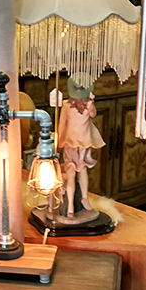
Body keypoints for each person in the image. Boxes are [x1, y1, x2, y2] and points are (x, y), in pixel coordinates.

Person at [56, 78, 105, 218]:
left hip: (70, 142)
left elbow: (61, 124)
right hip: (84, 142)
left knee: (71, 171)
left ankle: (71, 205)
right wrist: (92, 100)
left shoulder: (66, 104)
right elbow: (93, 114)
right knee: (82, 170)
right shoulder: (88, 104)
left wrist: (59, 142)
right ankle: (84, 198)